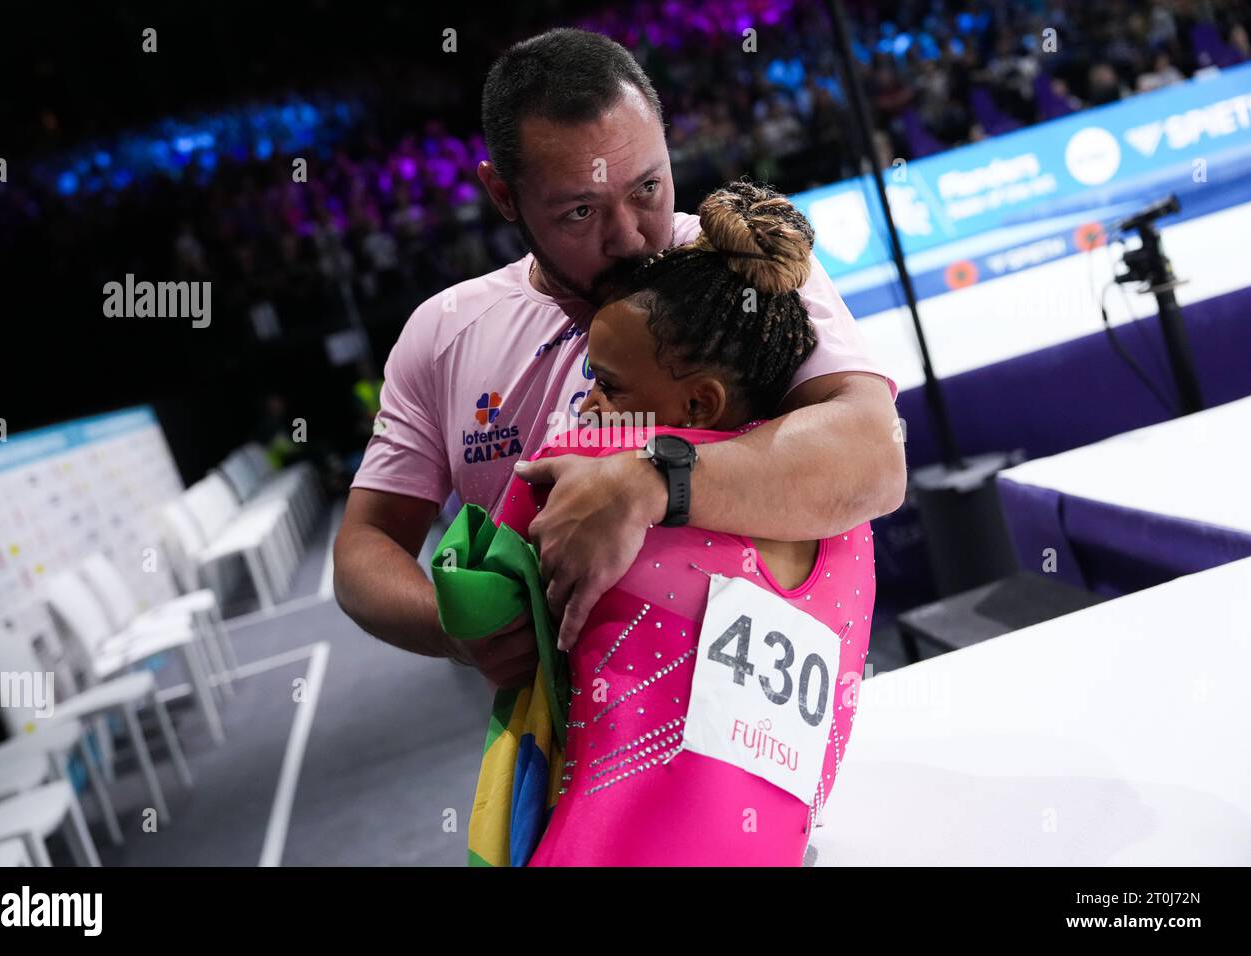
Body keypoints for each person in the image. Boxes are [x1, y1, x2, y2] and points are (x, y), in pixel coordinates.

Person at [333, 28, 903, 697]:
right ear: (504, 196)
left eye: (648, 187)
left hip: (761, 740)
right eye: (580, 210)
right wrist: (451, 629)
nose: (631, 237)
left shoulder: (736, 267)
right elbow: (364, 545)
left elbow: (875, 455)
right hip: (572, 754)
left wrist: (651, 484)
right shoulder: (444, 335)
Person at [494, 180, 873, 865]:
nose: (590, 407)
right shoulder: (845, 512)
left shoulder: (580, 465)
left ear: (699, 403)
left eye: (609, 385)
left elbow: (478, 598)